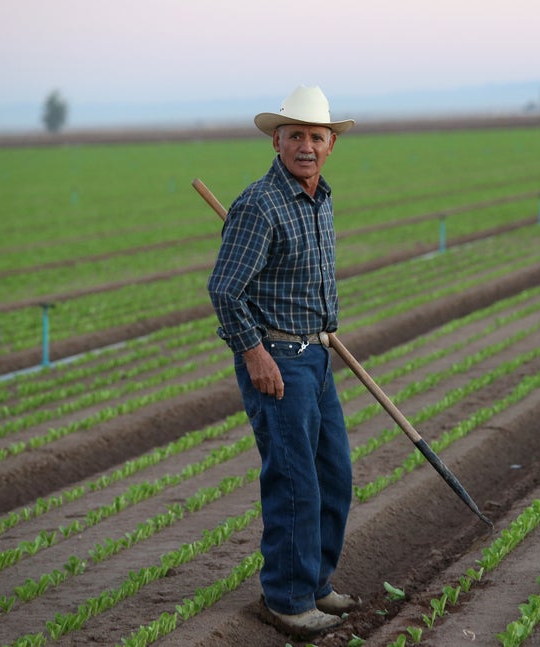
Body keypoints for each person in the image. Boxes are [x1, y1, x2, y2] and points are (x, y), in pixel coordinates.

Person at [206, 85, 360, 640]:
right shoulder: (258, 205)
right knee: (295, 481)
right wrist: (254, 354)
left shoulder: (320, 199)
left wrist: (323, 333)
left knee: (333, 475)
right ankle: (287, 598)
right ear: (277, 141)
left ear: (330, 145)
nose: (306, 146)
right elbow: (225, 290)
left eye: (316, 137)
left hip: (317, 355)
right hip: (278, 359)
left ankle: (315, 580)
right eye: (295, 135)